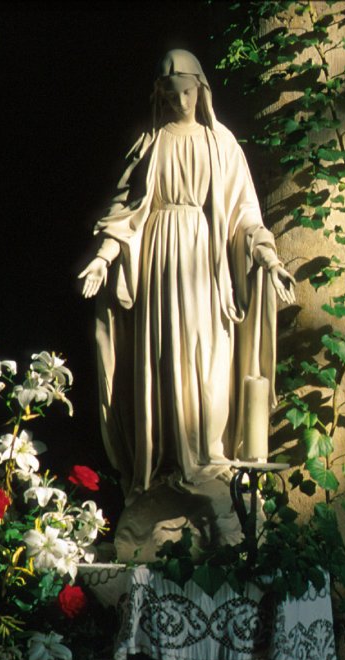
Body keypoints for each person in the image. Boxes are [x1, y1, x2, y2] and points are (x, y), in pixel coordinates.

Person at [77, 49, 295, 508]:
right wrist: (103, 257)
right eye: (172, 95)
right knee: (164, 360)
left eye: (189, 93)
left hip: (205, 259)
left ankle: (209, 457)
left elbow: (245, 213)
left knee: (211, 358)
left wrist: (268, 258)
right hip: (158, 258)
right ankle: (166, 466)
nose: (182, 103)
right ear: (161, 95)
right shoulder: (150, 143)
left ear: (202, 91)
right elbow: (126, 213)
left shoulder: (222, 143)